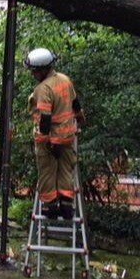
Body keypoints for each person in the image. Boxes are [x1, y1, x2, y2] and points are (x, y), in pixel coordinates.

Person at [25, 48, 85, 220]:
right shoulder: (65, 80)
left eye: (34, 70)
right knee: (66, 169)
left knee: (47, 171)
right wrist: (80, 120)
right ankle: (66, 206)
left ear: (43, 68)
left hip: (51, 138)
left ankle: (50, 207)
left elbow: (45, 118)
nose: (33, 74)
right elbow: (75, 103)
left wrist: (47, 141)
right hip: (68, 136)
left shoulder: (43, 88)